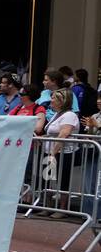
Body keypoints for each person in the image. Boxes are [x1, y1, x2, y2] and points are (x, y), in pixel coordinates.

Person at [44, 88, 80, 218]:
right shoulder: (56, 114)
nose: (51, 100)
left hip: (63, 153)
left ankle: (62, 208)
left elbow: (63, 134)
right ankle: (47, 206)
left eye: (54, 98)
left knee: (62, 180)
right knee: (48, 178)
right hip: (50, 152)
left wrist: (54, 153)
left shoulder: (69, 115)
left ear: (62, 101)